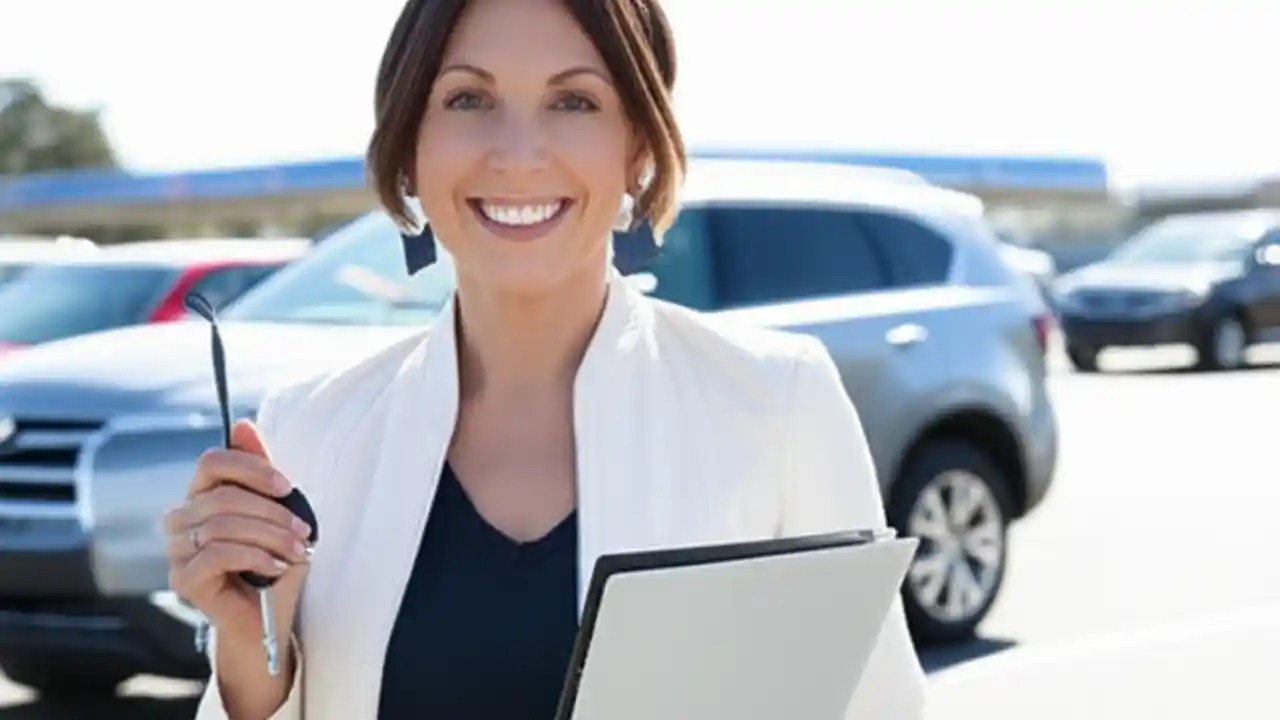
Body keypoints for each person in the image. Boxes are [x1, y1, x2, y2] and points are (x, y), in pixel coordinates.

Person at [165, 0, 927, 717]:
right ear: (409, 149)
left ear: (638, 147)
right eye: (468, 99)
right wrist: (248, 662)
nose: (519, 154)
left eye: (574, 102)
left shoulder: (775, 403)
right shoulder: (311, 429)